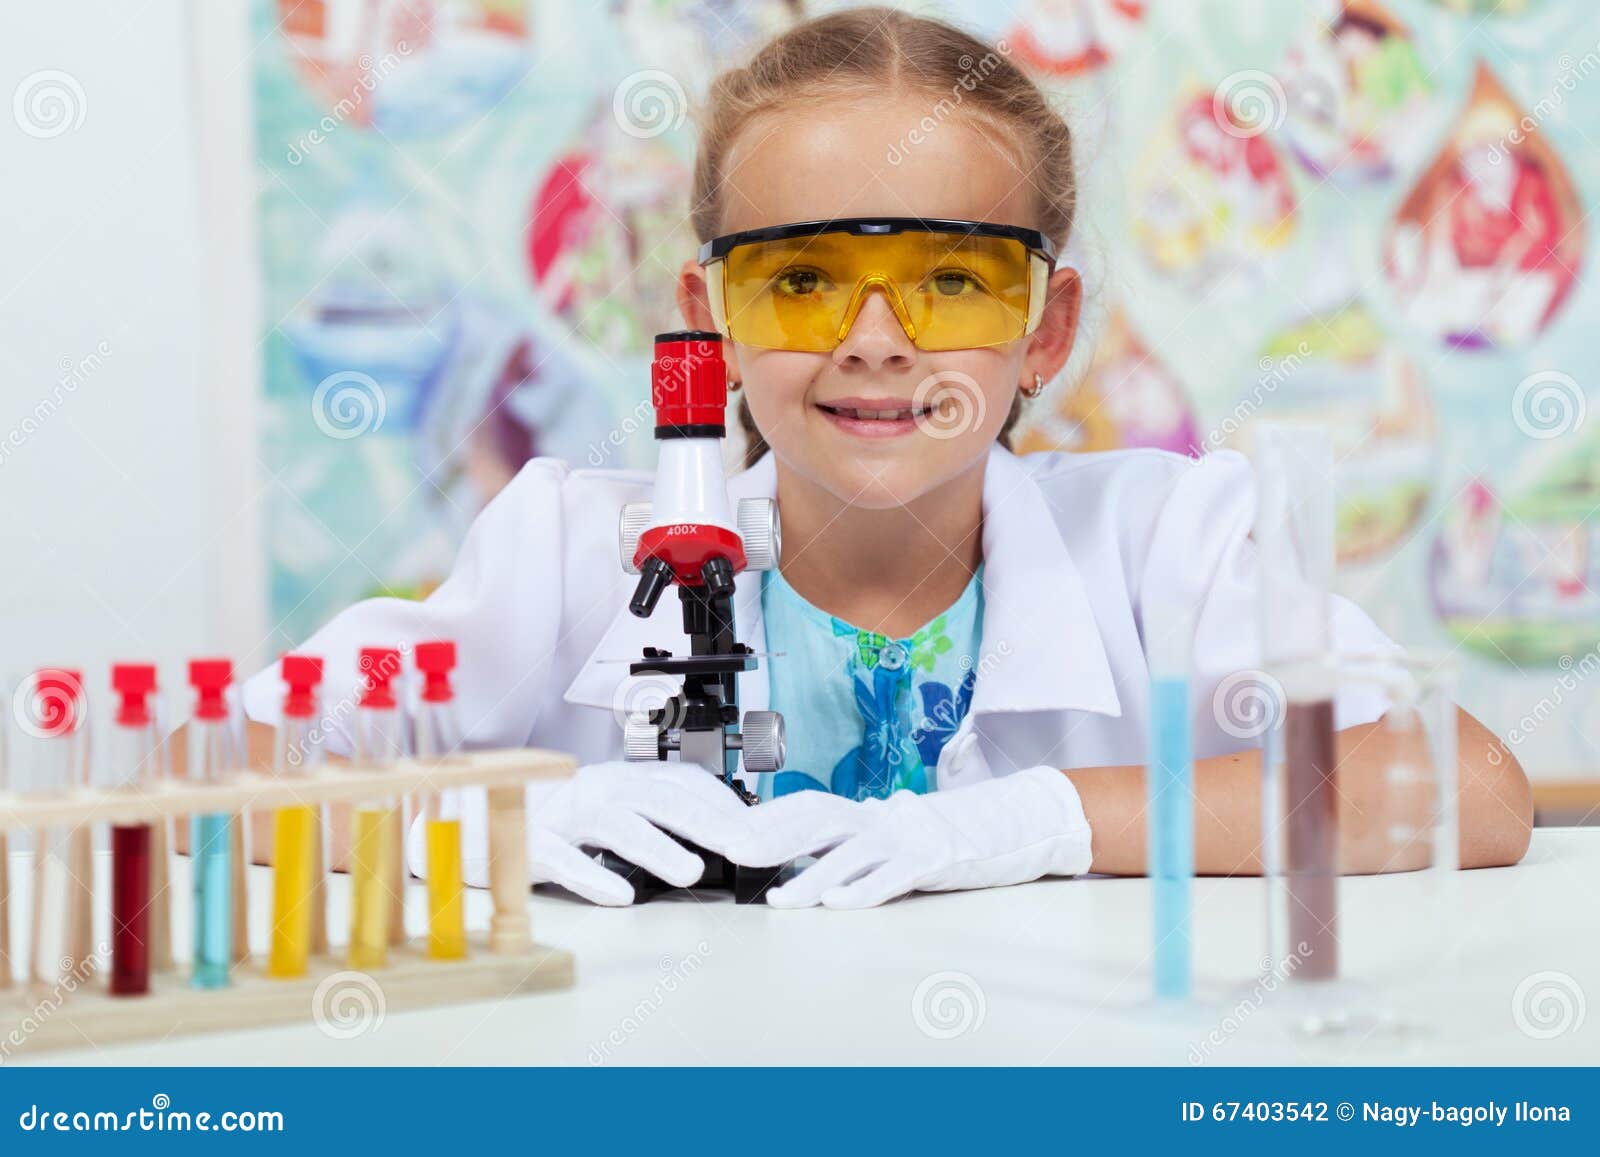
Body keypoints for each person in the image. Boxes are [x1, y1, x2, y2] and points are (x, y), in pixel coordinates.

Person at [224, 8, 1531, 908]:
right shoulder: (564, 548)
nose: (874, 342)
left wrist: (1035, 820)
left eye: (950, 282)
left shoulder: (1156, 543)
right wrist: (480, 825)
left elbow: (1468, 788)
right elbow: (231, 767)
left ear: (1044, 331)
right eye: (801, 279)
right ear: (708, 320)